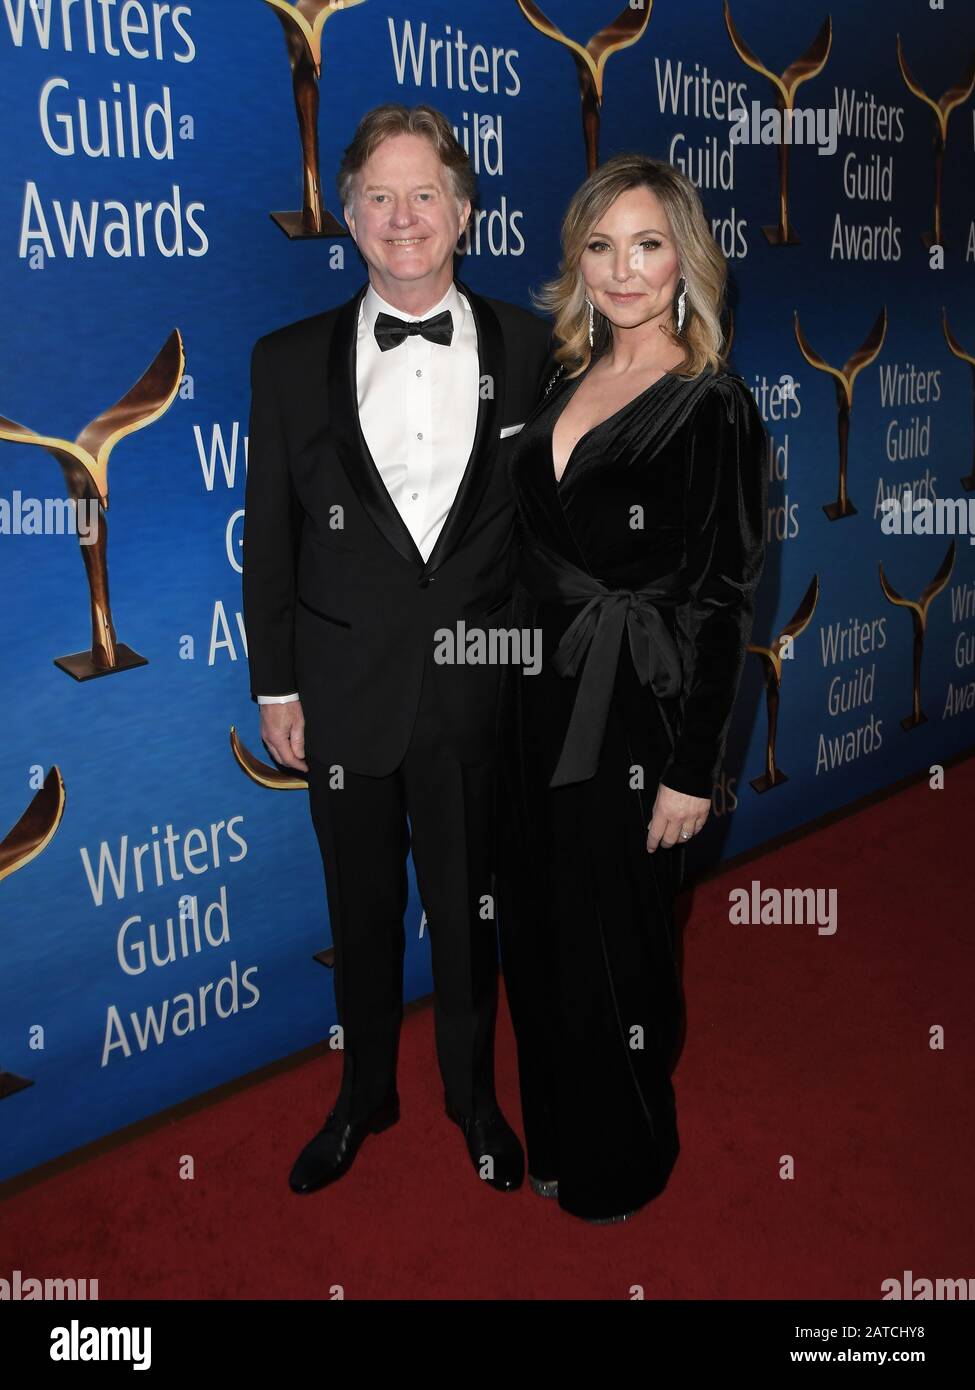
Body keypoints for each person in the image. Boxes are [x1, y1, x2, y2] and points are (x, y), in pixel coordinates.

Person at [242, 104, 553, 1195]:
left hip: (479, 696)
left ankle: (476, 1100)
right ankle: (363, 1092)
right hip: (341, 692)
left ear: (464, 212)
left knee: (474, 915)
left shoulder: (533, 349)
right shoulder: (284, 363)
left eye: (426, 194)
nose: (403, 216)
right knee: (358, 908)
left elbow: (557, 539)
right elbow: (270, 541)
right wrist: (275, 684)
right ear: (350, 216)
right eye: (379, 194)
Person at [495, 153, 768, 1223]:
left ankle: (626, 1155)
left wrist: (693, 770)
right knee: (542, 925)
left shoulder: (715, 406)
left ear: (685, 260)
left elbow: (722, 599)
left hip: (640, 713)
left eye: (647, 244)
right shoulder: (564, 383)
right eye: (600, 246)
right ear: (578, 264)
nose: (623, 269)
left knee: (621, 938)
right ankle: (559, 1136)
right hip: (538, 699)